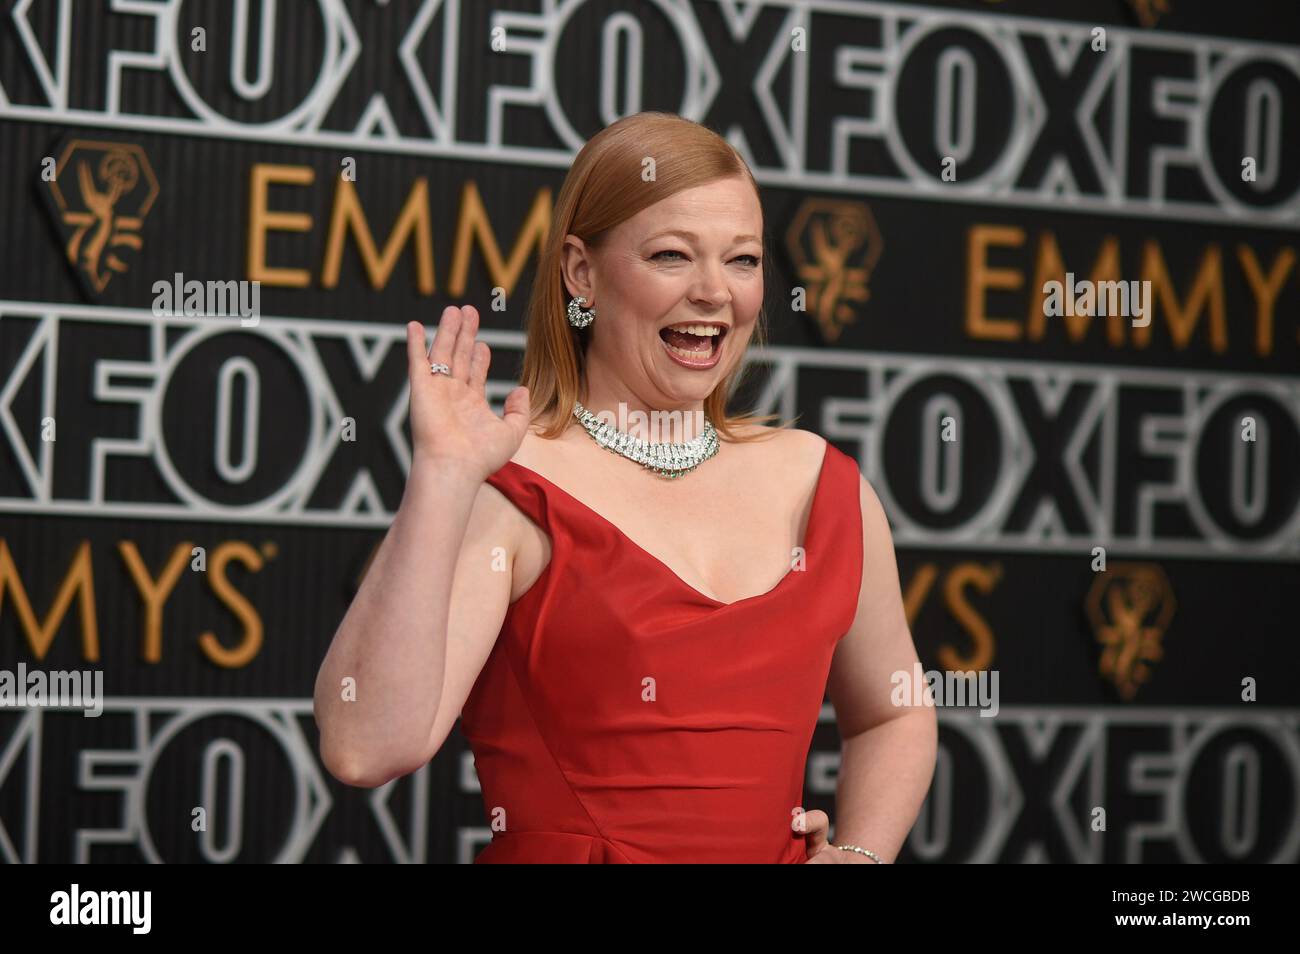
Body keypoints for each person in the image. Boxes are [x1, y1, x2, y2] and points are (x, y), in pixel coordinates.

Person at [314, 111, 936, 863]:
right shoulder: (510, 493)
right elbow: (363, 747)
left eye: (742, 260)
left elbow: (894, 715)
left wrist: (862, 855)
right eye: (672, 255)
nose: (715, 292)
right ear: (582, 273)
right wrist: (442, 479)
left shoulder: (823, 486)